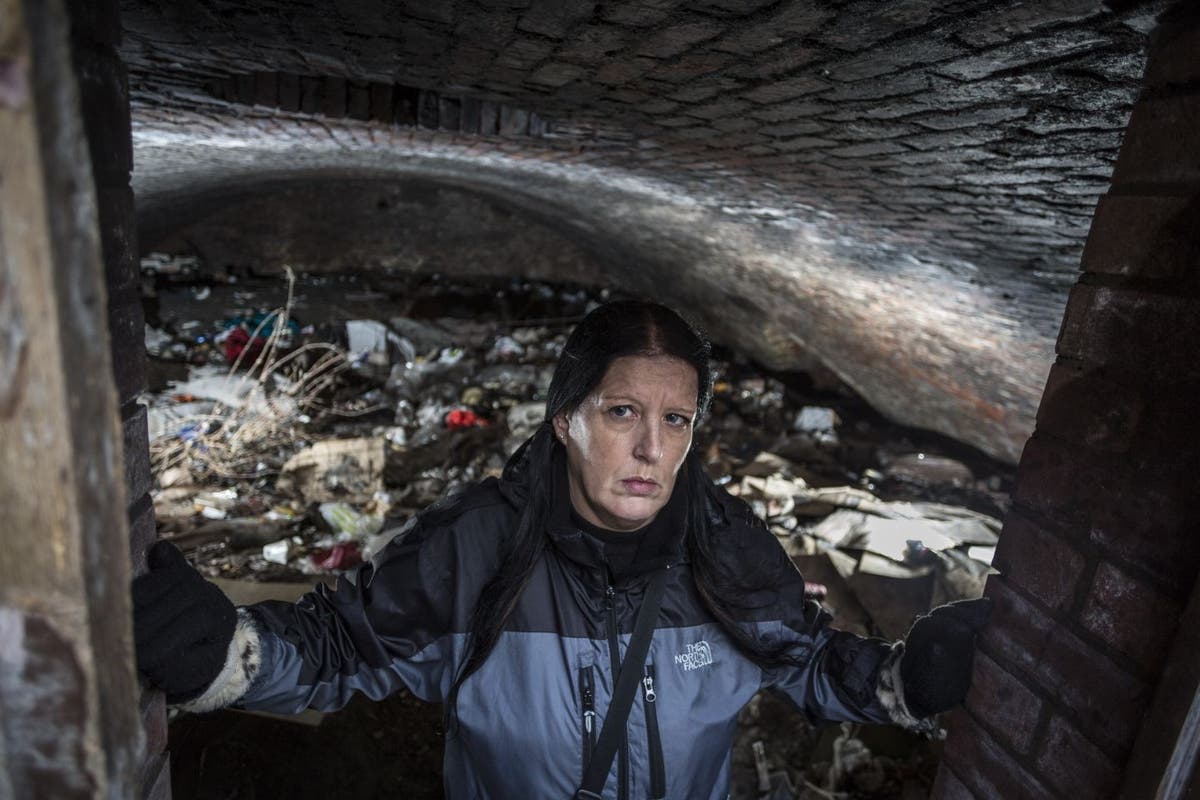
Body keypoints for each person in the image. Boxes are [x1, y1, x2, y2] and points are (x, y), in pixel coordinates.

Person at [133, 300, 989, 800]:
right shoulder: (479, 547)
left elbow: (808, 665)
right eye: (623, 413)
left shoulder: (728, 551)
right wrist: (229, 658)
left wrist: (903, 680)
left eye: (676, 420)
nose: (651, 448)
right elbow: (342, 646)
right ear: (566, 420)